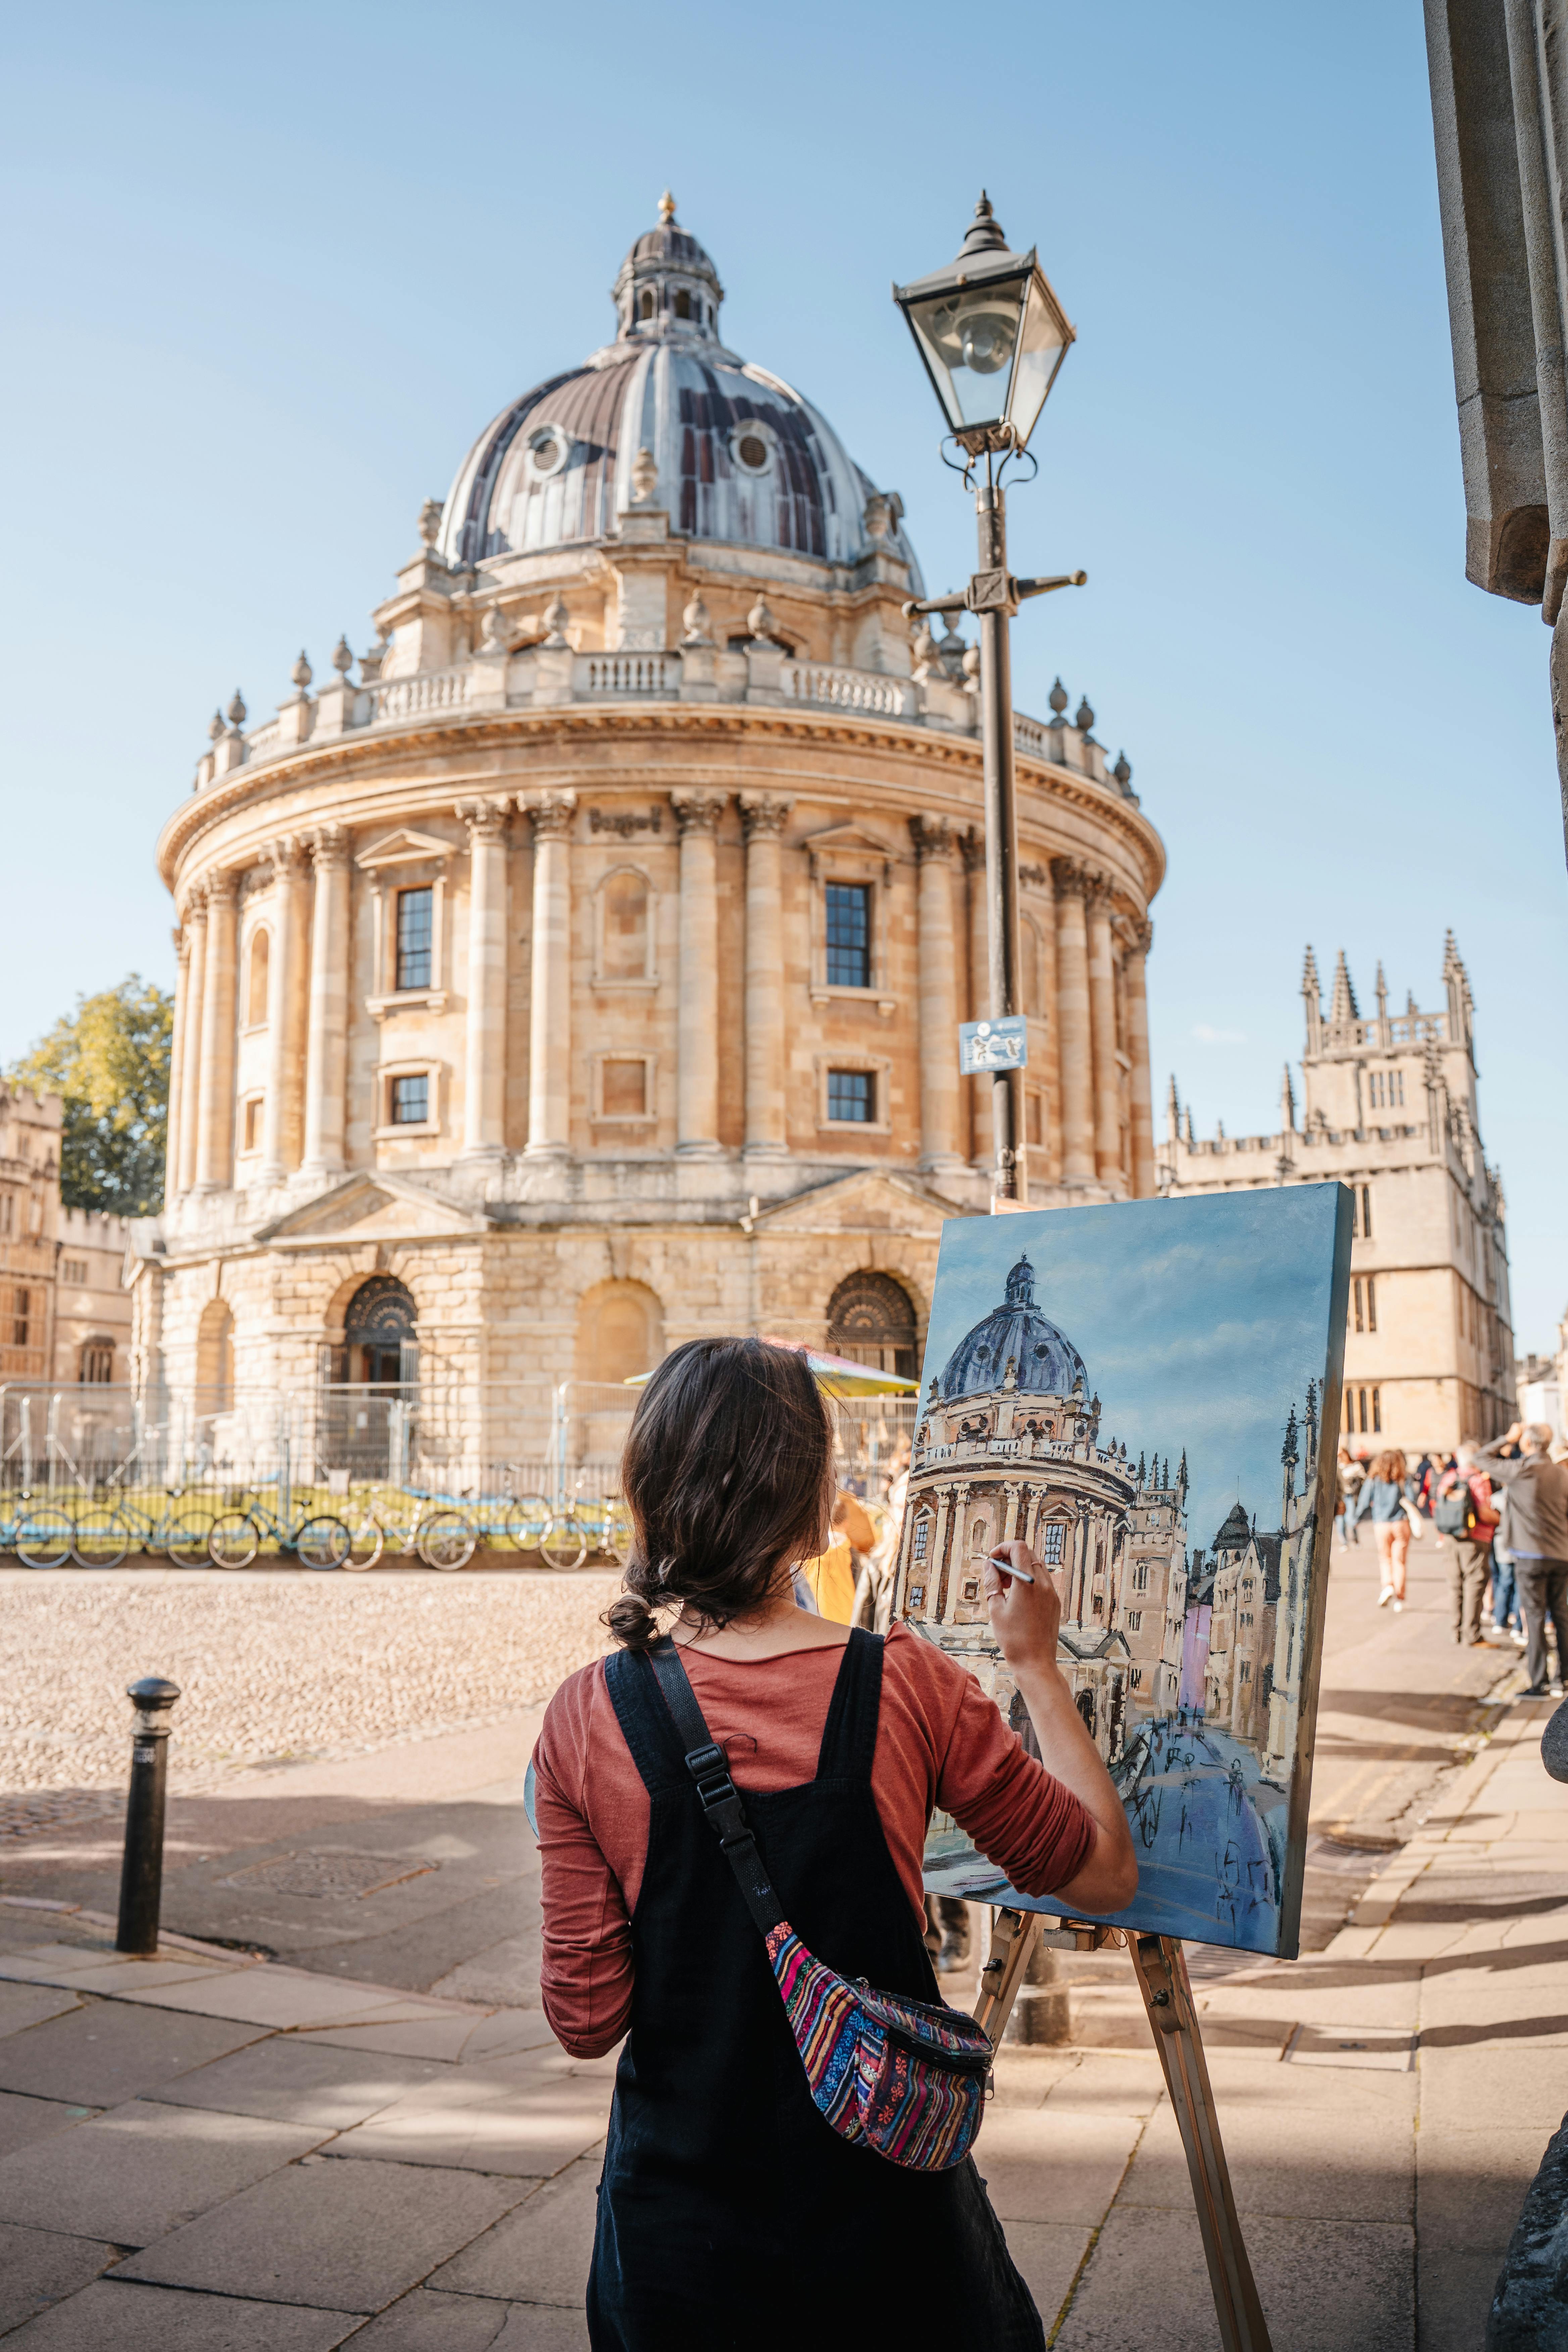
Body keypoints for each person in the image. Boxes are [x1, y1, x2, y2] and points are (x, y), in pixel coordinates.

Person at [533, 1337, 1136, 2350]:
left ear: (647, 1493)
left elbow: (586, 2018)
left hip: (679, 2240)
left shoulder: (588, 1716)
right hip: (886, 2231)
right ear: (817, 1502)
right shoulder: (910, 1683)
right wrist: (1036, 1665)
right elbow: (1105, 1873)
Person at [1477, 1423, 1568, 1696]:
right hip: (1561, 1555)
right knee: (1562, 1616)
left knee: (1536, 1617)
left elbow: (1480, 1459)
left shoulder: (1521, 1470)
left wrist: (1507, 1437)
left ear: (1527, 1444)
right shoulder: (1563, 1475)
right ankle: (1563, 1678)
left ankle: (1539, 1682)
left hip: (1530, 1556)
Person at [1435, 1443, 1499, 1646]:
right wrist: (1502, 1519)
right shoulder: (1479, 1481)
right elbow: (1484, 1513)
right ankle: (1472, 1634)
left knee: (1456, 1586)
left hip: (1450, 1537)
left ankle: (1457, 1630)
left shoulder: (1449, 1478)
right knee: (1475, 1584)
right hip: (1475, 1539)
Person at [1352, 1447, 1420, 1609]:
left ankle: (1388, 1586)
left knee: (1385, 1559)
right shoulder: (1404, 1478)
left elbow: (1363, 1502)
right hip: (1401, 1523)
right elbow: (1412, 1499)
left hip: (1381, 1524)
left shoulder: (1373, 1479)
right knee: (1400, 1562)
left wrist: (1356, 1519)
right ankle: (1401, 1600)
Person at [1335, 1446, 1364, 1547]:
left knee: (1350, 1519)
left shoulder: (1356, 1466)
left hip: (1351, 1495)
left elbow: (1363, 1480)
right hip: (1340, 1497)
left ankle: (1356, 1540)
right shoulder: (1337, 1467)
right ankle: (1344, 1543)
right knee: (1340, 1520)